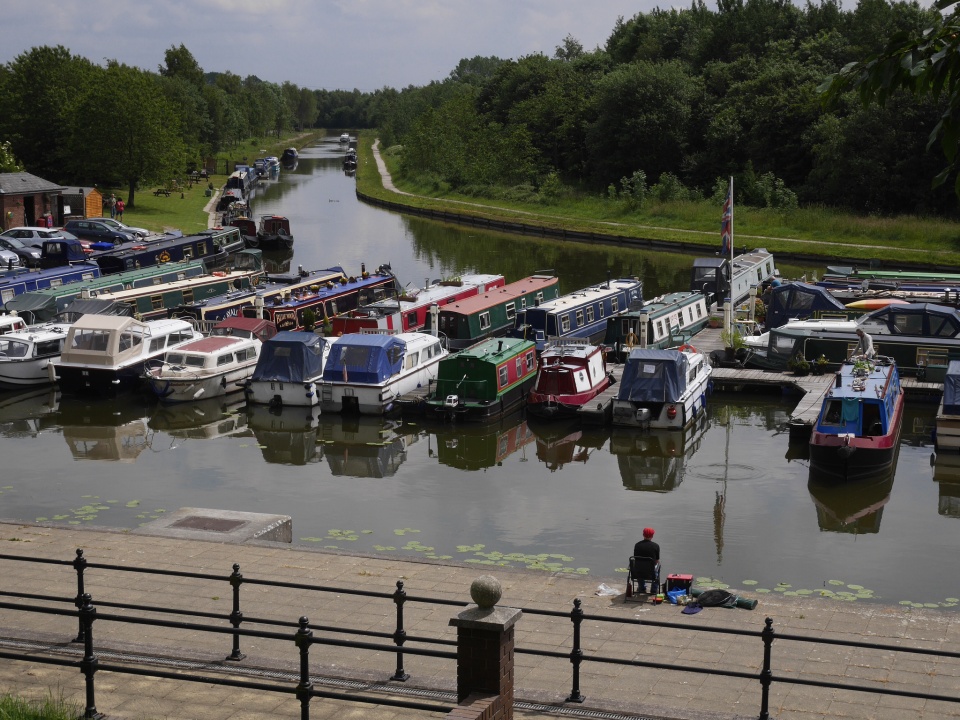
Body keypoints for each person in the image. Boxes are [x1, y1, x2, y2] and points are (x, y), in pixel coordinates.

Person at [632, 527, 661, 594]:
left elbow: (636, 558)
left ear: (643, 535)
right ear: (652, 536)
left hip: (638, 571)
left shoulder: (637, 545)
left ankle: (642, 588)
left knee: (640, 566)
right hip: (651, 572)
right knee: (658, 565)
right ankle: (653, 590)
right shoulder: (656, 546)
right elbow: (656, 560)